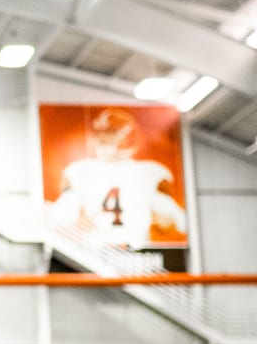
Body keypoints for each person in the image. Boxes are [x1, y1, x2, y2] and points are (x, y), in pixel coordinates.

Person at [48, 107, 187, 250]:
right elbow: (63, 217)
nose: (103, 139)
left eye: (110, 133)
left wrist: (169, 222)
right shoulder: (79, 170)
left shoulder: (151, 172)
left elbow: (175, 220)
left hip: (139, 249)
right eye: (100, 133)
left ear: (129, 137)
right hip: (95, 250)